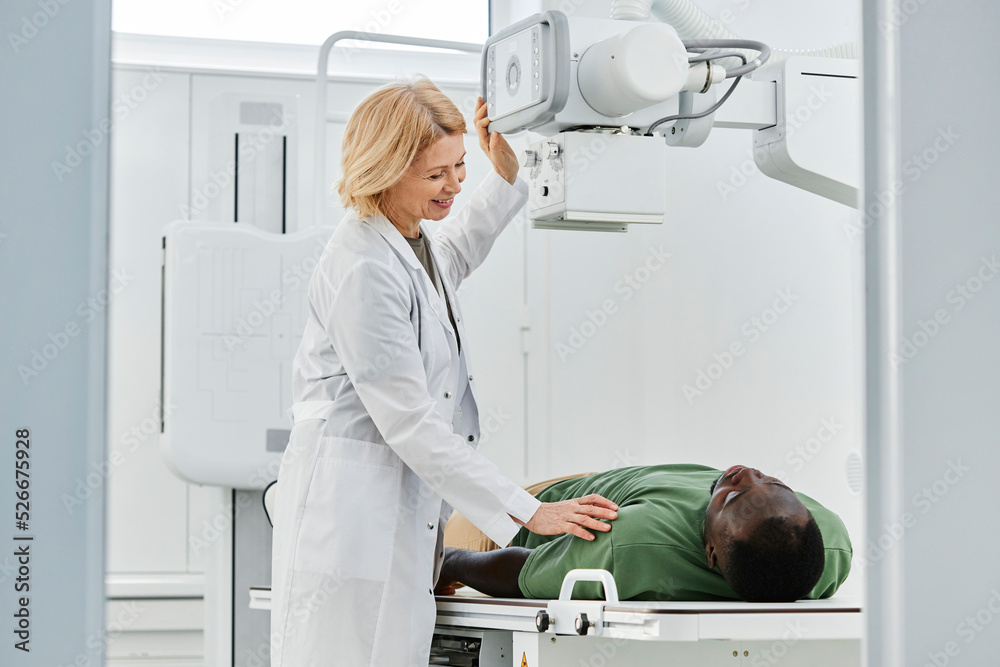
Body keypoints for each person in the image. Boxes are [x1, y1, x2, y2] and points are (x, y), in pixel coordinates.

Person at [269, 78, 618, 667]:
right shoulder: (362, 269)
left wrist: (503, 174)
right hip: (352, 522)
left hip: (393, 519)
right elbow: (411, 425)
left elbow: (456, 250)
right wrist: (529, 512)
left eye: (459, 165)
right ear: (384, 170)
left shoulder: (410, 244)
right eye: (436, 175)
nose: (454, 184)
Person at [437, 464, 853, 603]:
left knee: (442, 528)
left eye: (730, 497)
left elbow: (526, 574)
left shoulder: (631, 545)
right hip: (613, 484)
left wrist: (448, 560)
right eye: (773, 484)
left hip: (522, 520)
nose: (744, 472)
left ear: (710, 553)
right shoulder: (831, 543)